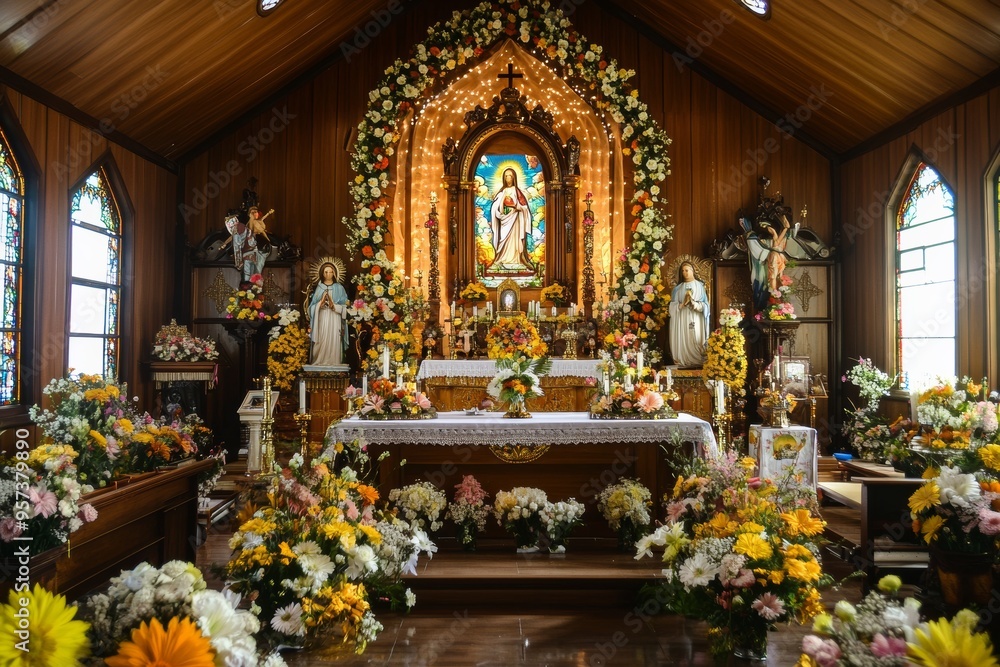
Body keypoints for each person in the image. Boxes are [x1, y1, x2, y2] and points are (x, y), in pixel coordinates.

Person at [489, 168, 533, 272]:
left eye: (510, 176)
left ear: (514, 178)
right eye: (506, 176)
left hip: (515, 220)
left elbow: (525, 208)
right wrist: (500, 206)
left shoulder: (517, 192)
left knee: (514, 240)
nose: (508, 178)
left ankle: (515, 261)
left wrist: (515, 205)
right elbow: (495, 207)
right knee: (503, 239)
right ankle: (501, 259)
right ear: (504, 178)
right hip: (504, 220)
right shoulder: (502, 192)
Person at [668, 261, 710, 367]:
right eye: (682, 271)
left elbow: (705, 306)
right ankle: (683, 359)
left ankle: (697, 360)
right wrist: (681, 305)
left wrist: (694, 304)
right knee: (683, 339)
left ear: (692, 271)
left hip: (696, 318)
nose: (684, 273)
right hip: (681, 318)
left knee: (696, 338)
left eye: (687, 270)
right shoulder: (677, 289)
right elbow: (672, 306)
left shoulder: (700, 286)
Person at [307, 262, 349, 367]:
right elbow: (311, 308)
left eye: (330, 272)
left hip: (335, 318)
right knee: (321, 338)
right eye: (326, 272)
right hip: (322, 317)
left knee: (334, 338)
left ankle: (334, 362)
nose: (328, 274)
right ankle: (319, 361)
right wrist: (320, 304)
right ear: (322, 273)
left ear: (334, 273)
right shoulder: (319, 287)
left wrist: (334, 306)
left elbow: (346, 307)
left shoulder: (339, 288)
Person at [225, 206, 274, 280]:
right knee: (249, 271)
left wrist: (269, 240)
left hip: (259, 247)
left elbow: (262, 231)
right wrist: (225, 244)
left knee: (256, 268)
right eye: (252, 212)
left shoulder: (257, 223)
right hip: (250, 250)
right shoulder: (247, 225)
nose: (255, 214)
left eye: (256, 212)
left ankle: (253, 281)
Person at [761, 213, 791, 293]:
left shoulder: (778, 238)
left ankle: (775, 292)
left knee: (775, 276)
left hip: (777, 255)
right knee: (774, 276)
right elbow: (776, 242)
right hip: (776, 255)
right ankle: (774, 292)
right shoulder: (773, 237)